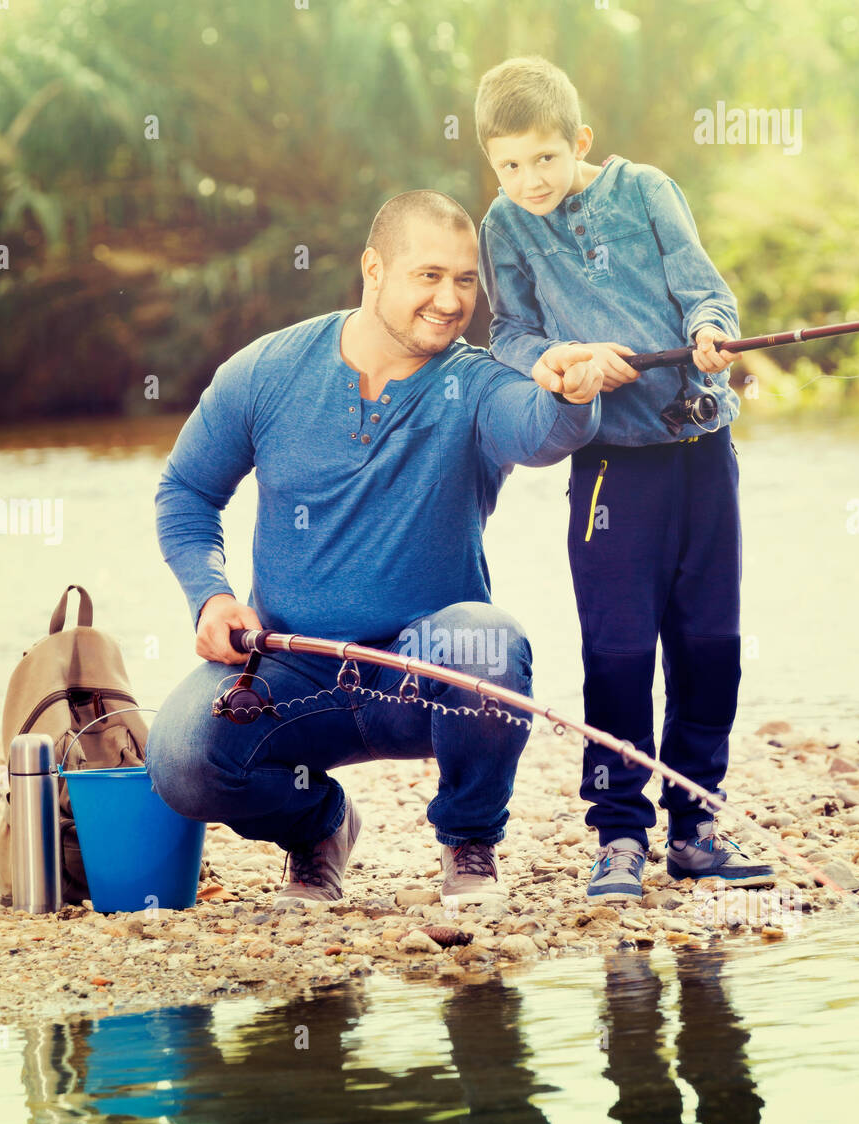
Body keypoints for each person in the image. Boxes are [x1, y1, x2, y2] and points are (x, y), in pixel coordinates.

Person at [146, 189, 603, 910]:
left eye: (464, 279)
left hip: (422, 676)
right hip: (292, 671)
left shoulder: (478, 382)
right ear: (374, 269)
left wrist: (571, 393)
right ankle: (319, 827)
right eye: (429, 275)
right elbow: (186, 493)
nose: (451, 300)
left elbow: (541, 431)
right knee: (178, 759)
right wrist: (210, 592)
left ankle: (469, 842)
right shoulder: (266, 372)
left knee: (492, 642)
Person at [474, 55, 775, 901]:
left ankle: (696, 823)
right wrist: (562, 360)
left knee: (711, 643)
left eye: (544, 158)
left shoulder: (646, 190)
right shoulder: (505, 226)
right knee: (615, 652)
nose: (529, 180)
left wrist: (712, 331)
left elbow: (702, 290)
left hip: (702, 448)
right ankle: (617, 836)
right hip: (609, 463)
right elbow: (511, 337)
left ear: (580, 140)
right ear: (491, 164)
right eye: (509, 164)